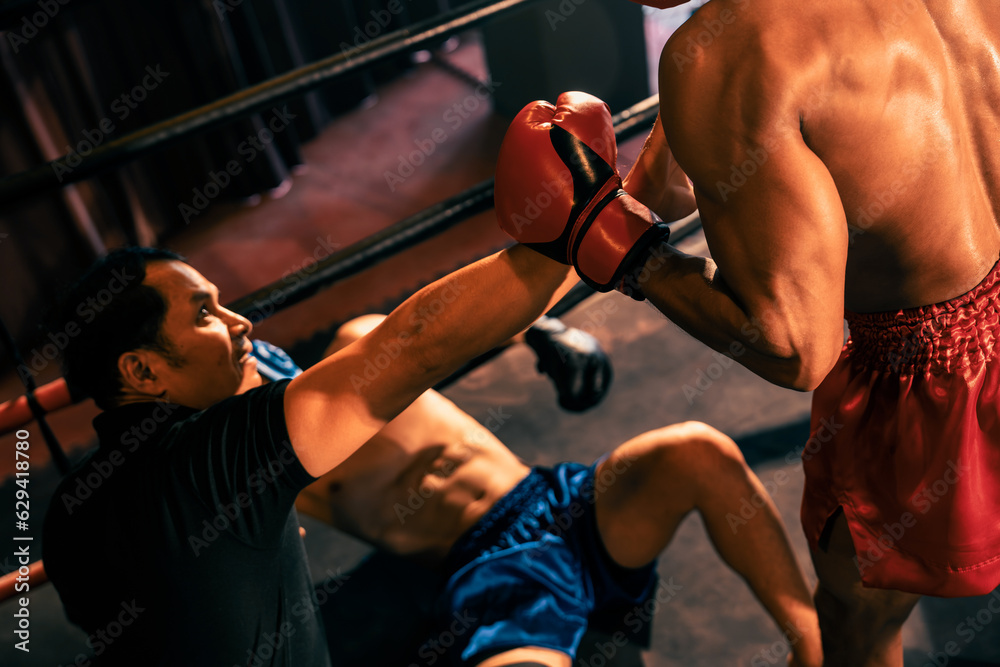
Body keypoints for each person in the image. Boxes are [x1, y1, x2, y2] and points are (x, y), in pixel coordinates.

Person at [491, 1, 1000, 664]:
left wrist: (622, 250)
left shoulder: (723, 53)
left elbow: (796, 347)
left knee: (855, 620)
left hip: (927, 376)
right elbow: (680, 185)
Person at [41, 244, 574, 666]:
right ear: (142, 371)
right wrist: (568, 245)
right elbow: (416, 343)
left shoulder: (65, 511)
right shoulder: (220, 451)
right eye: (205, 314)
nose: (240, 322)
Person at [287, 314, 823, 667]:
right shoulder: (282, 474)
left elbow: (465, 318)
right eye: (206, 315)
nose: (240, 325)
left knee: (694, 450)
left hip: (562, 502)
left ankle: (815, 645)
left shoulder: (364, 344)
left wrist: (543, 329)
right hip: (492, 569)